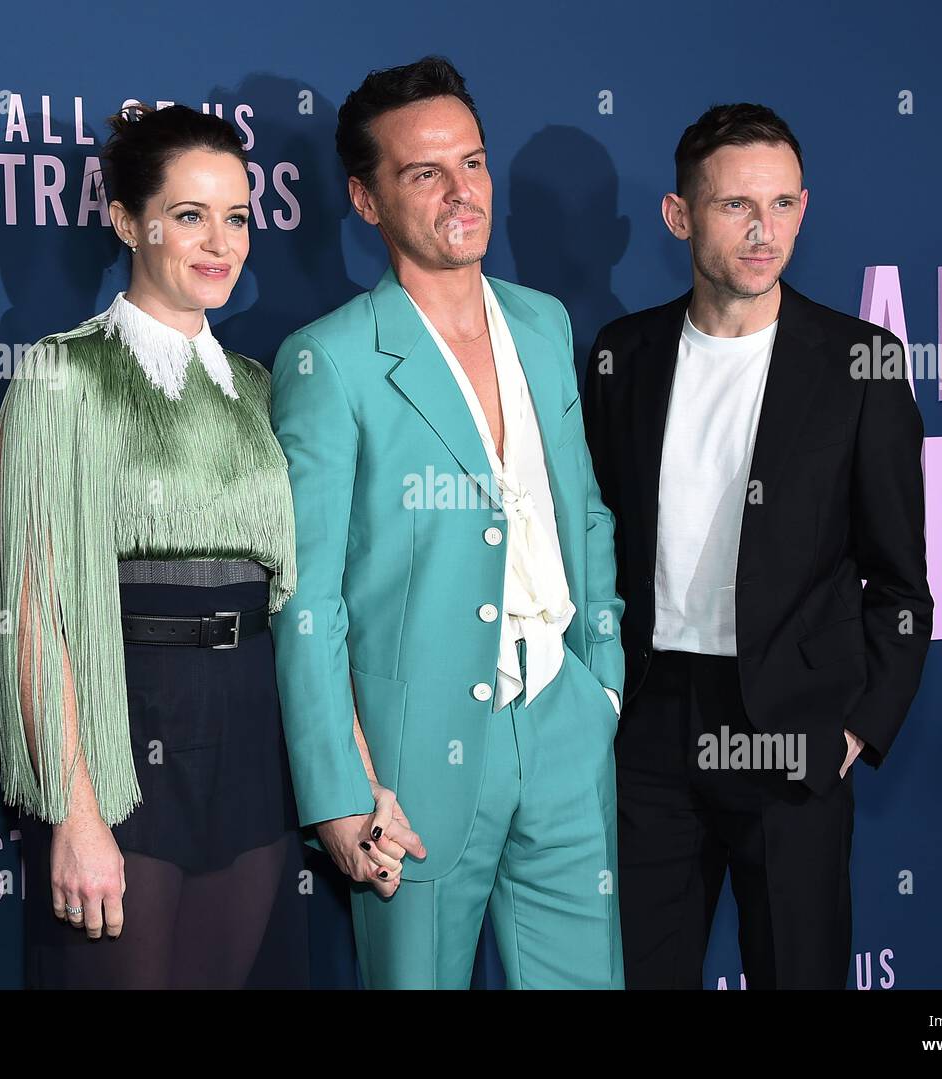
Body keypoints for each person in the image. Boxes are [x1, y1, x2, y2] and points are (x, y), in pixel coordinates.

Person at [269, 55, 627, 989]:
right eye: (424, 173)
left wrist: (604, 687)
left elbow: (582, 511)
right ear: (366, 198)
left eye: (472, 162)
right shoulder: (330, 362)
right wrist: (339, 790)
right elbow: (305, 595)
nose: (460, 192)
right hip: (411, 755)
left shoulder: (544, 323)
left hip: (562, 714)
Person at [583, 103, 933, 989]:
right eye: (737, 205)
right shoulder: (624, 356)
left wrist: (855, 729)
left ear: (804, 209)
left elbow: (901, 580)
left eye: (782, 205)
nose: (763, 230)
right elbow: (593, 535)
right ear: (679, 216)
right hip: (652, 725)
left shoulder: (862, 364)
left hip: (792, 723)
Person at [0, 102, 306, 988]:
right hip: (124, 726)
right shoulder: (63, 374)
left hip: (252, 726)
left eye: (237, 216)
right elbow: (37, 611)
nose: (221, 243)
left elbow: (297, 596)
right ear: (129, 221)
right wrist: (74, 810)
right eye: (190, 215)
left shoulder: (259, 387)